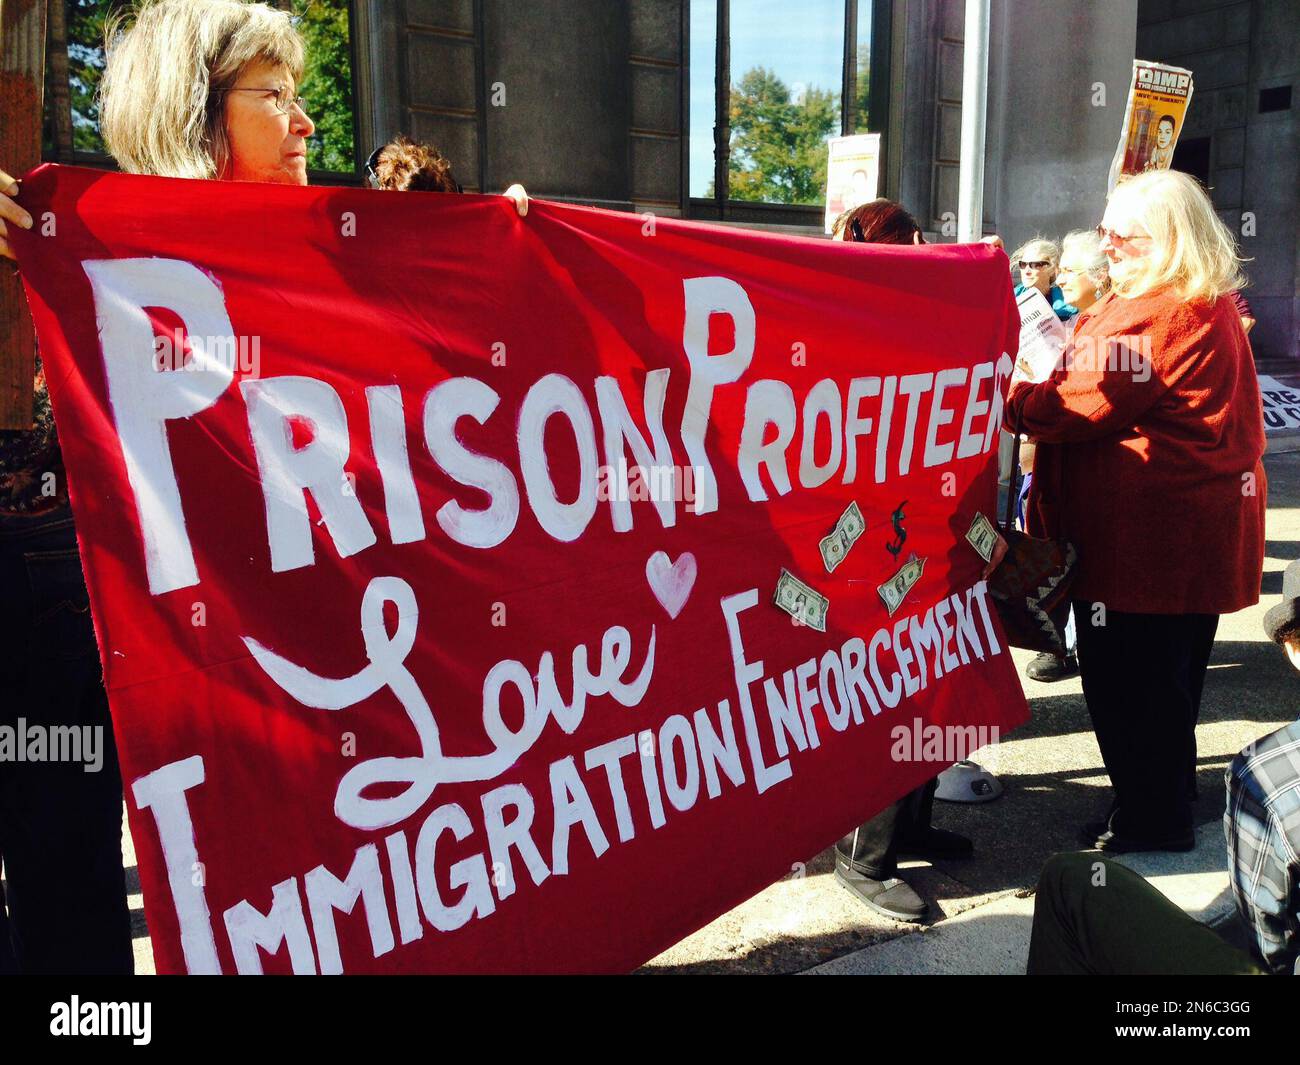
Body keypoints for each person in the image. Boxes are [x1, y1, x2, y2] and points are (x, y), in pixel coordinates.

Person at [0, 0, 527, 975]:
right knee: (60, 862)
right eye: (273, 95)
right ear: (195, 117)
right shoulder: (81, 252)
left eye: (298, 94)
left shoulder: (323, 250)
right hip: (80, 614)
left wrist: (507, 254)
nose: (307, 122)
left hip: (290, 662)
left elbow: (446, 361)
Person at [1006, 169, 1266, 855]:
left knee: (1130, 689)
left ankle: (1152, 823)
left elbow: (1072, 407)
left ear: (1169, 239)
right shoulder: (1200, 300)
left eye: (1122, 234)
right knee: (1168, 687)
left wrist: (1011, 393)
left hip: (1147, 548)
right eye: (1104, 230)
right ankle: (1159, 803)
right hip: (1181, 543)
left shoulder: (1160, 311)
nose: (1106, 244)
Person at [1026, 558, 1300, 976]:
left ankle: (1155, 806)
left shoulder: (1269, 773)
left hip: (1141, 550)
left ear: (1293, 649)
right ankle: (1165, 792)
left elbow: (1270, 942)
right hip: (1190, 546)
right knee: (1175, 658)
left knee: (1069, 880)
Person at [827, 199, 974, 922]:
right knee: (890, 693)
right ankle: (862, 857)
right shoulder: (849, 317)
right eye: (923, 239)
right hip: (873, 542)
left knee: (933, 680)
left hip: (921, 531)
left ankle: (910, 826)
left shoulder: (904, 312)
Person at [1017, 230, 1113, 683]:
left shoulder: (1107, 323)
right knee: (1041, 537)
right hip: (1047, 457)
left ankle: (1068, 645)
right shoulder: (1032, 308)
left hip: (1076, 466)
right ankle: (1056, 639)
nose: (1036, 274)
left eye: (1057, 268)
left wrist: (1016, 394)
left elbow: (1068, 407)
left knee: (1074, 556)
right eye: (1025, 266)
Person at [1011, 237, 1075, 322]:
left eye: (1035, 265)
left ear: (1052, 270)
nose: (1026, 271)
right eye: (1023, 264)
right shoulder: (1010, 299)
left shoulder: (1068, 304)